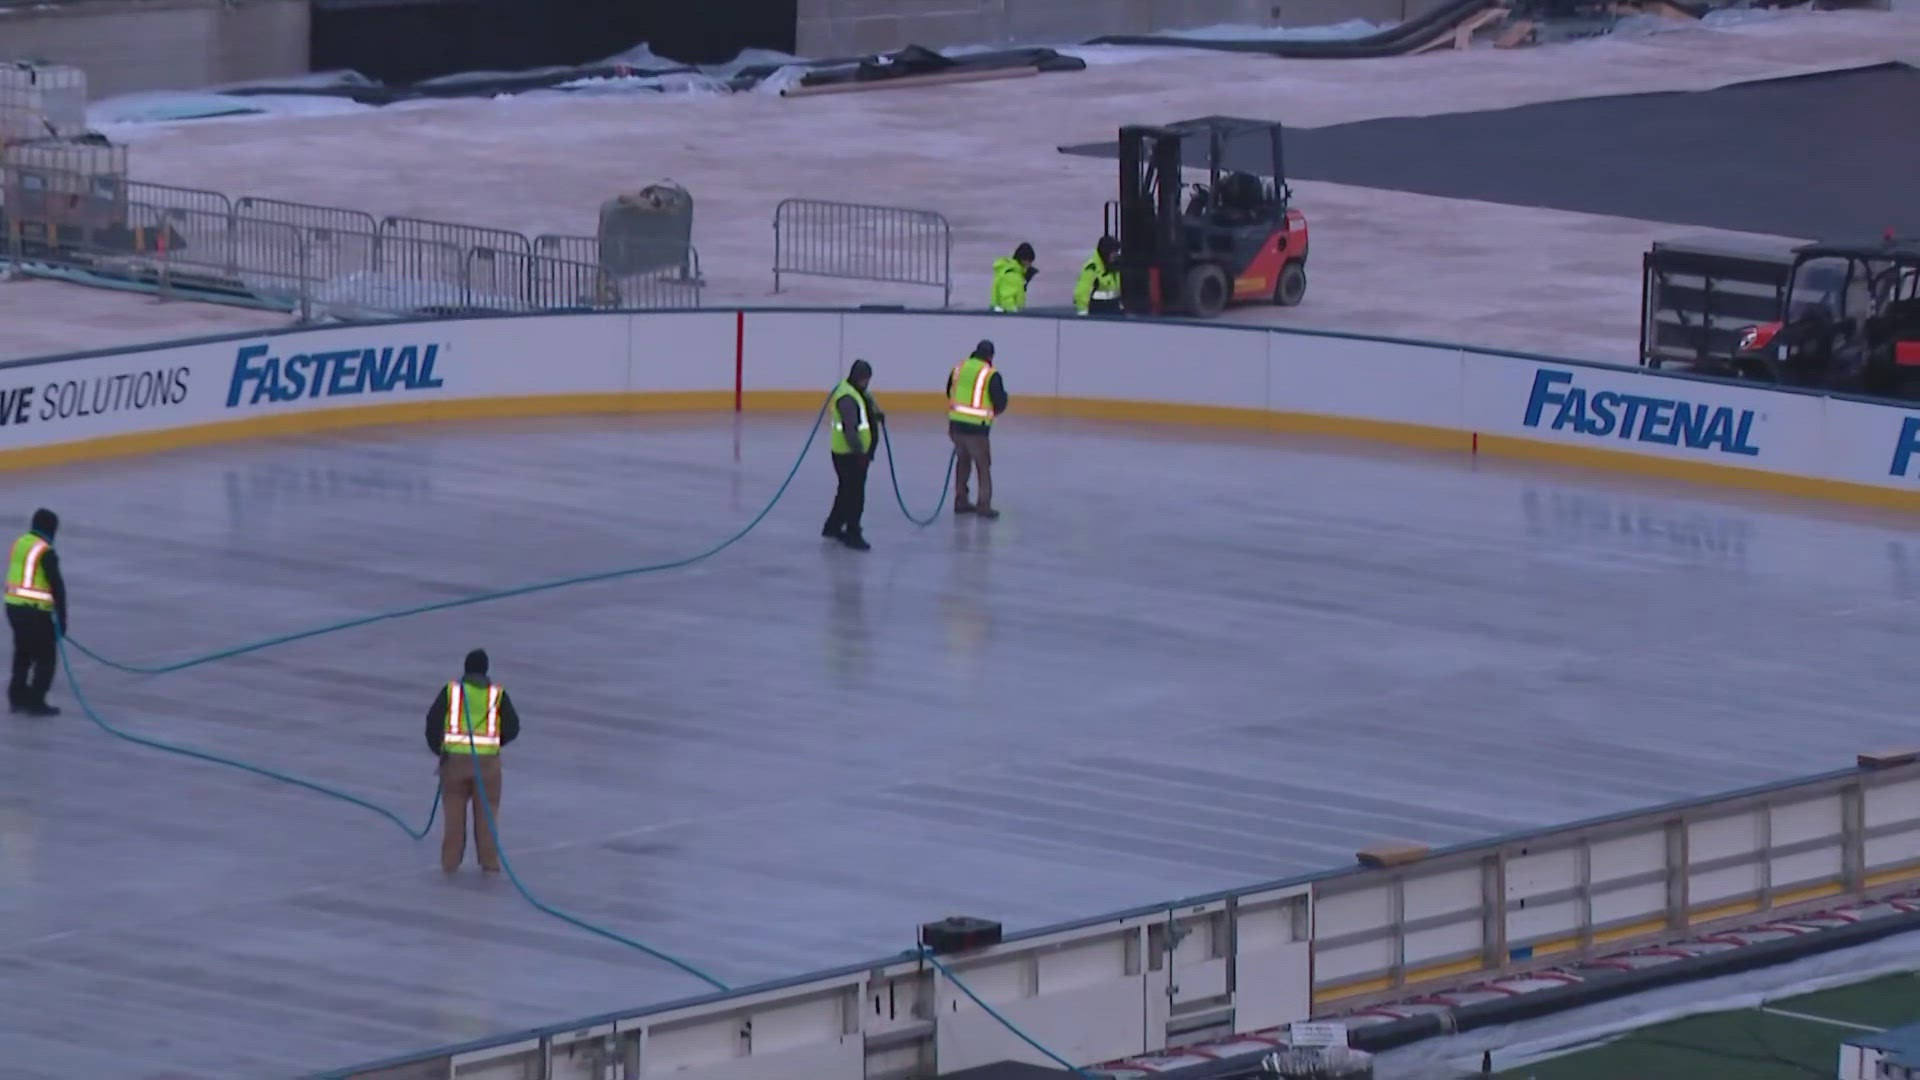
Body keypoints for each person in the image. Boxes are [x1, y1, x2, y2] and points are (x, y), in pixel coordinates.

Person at [425, 649, 521, 873]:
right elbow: (513, 726)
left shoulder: (452, 691)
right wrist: (494, 743)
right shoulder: (497, 694)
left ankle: (450, 863)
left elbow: (433, 722)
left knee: (454, 817)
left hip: (455, 763)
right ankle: (489, 863)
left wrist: (440, 750)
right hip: (487, 764)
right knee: (487, 817)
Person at [6, 508, 65, 717]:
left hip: (13, 606)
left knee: (22, 652)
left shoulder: (20, 543)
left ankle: (17, 697)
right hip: (34, 611)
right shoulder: (45, 551)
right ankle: (36, 701)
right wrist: (62, 619)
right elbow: (57, 586)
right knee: (45, 656)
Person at [823, 359, 883, 551]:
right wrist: (861, 453)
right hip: (849, 454)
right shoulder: (847, 398)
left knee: (845, 491)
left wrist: (875, 414)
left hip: (847, 453)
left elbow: (866, 404)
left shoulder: (853, 390)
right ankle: (852, 532)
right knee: (855, 494)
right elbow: (850, 430)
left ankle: (832, 526)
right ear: (862, 378)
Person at [946, 340, 1008, 519]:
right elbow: (1000, 401)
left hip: (956, 427)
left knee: (963, 462)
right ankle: (984, 505)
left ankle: (961, 500)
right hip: (977, 430)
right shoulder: (990, 374)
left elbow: (949, 391)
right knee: (983, 467)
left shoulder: (959, 368)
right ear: (990, 356)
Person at [1074, 235, 1122, 316]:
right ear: (1106, 252)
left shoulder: (1114, 267)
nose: (1115, 255)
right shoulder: (1092, 268)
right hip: (1098, 312)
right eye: (1113, 252)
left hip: (1114, 309)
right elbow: (1081, 293)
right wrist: (1083, 313)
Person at [991, 242, 1037, 313]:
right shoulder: (1012, 275)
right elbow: (1007, 302)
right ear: (1023, 260)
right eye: (1029, 261)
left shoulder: (1015, 273)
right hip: (1007, 317)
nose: (1030, 264)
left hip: (1002, 315)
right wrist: (1016, 316)